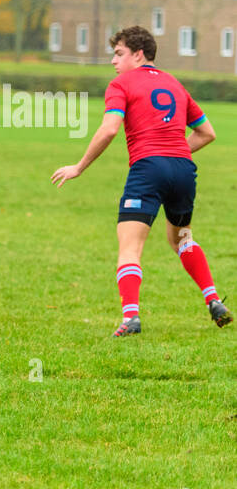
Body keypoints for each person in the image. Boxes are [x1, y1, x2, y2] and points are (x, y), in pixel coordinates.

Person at [50, 25, 229, 336]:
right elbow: (207, 133)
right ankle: (213, 300)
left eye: (118, 54)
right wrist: (172, 153)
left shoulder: (121, 84)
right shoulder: (175, 84)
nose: (113, 61)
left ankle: (131, 318)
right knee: (181, 238)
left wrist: (79, 166)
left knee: (130, 247)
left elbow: (108, 130)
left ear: (138, 54)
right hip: (184, 170)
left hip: (148, 169)